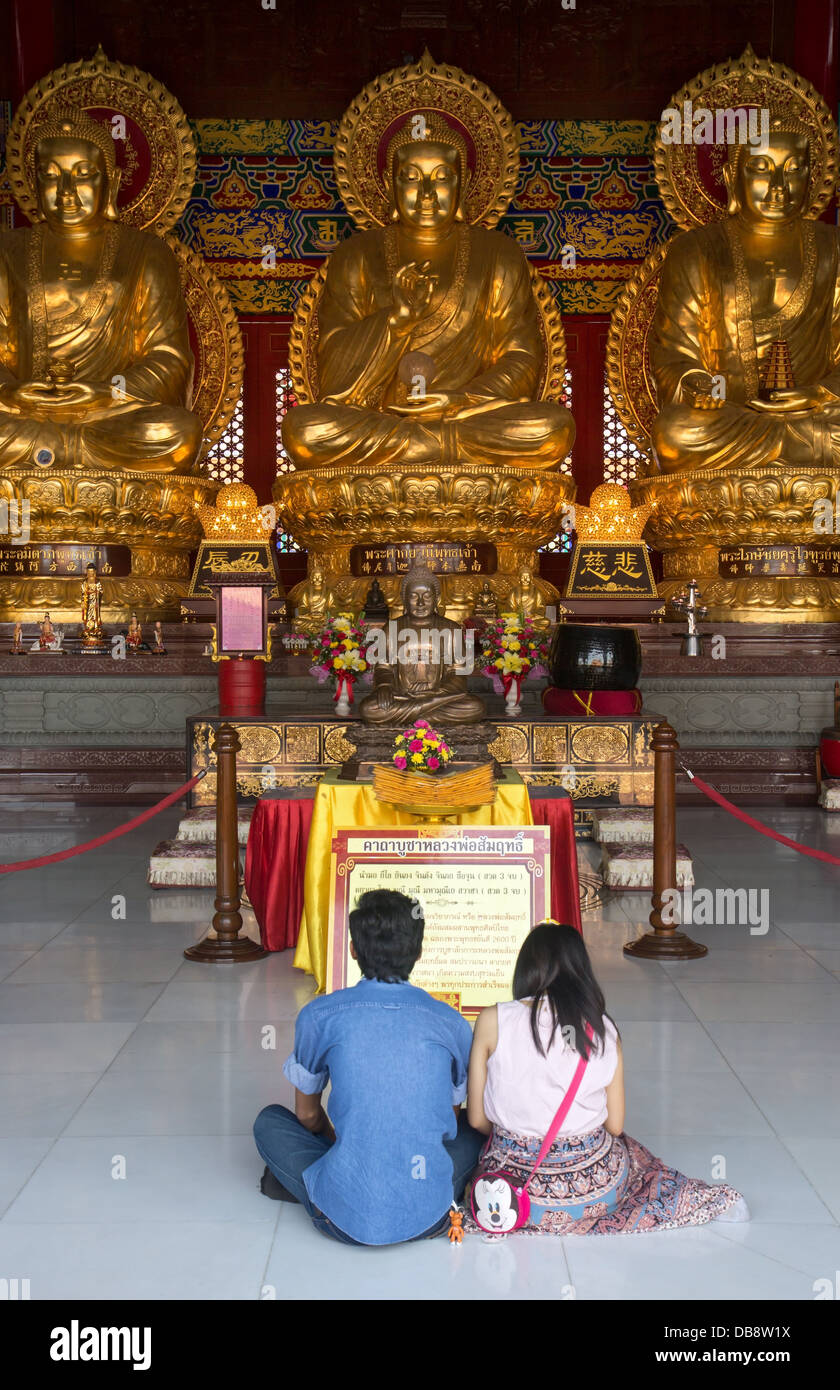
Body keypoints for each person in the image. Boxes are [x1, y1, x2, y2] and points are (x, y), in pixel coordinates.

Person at [466, 922, 749, 1234]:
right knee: (636, 1156)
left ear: (526, 969)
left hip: (507, 1192)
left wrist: (520, 1134)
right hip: (593, 1190)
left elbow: (477, 1119)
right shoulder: (603, 1029)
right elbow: (615, 1126)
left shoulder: (492, 1019)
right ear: (581, 970)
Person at [254, 889, 485, 1245]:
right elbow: (448, 1123)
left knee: (269, 1121)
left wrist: (342, 1143)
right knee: (476, 1126)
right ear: (419, 953)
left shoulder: (319, 1015)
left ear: (353, 950)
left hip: (339, 1216)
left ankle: (319, 1181)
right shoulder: (451, 1022)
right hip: (429, 1211)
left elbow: (307, 1117)